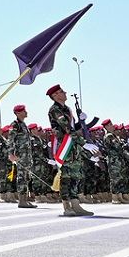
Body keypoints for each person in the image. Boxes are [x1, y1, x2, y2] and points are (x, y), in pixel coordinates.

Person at [46, 84, 92, 216]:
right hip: (64, 146)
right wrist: (83, 143)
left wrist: (81, 121)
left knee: (75, 176)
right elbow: (66, 128)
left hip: (72, 145)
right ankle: (67, 206)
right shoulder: (54, 109)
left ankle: (75, 204)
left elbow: (72, 127)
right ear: (55, 95)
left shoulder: (67, 109)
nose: (65, 93)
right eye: (62, 92)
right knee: (66, 177)